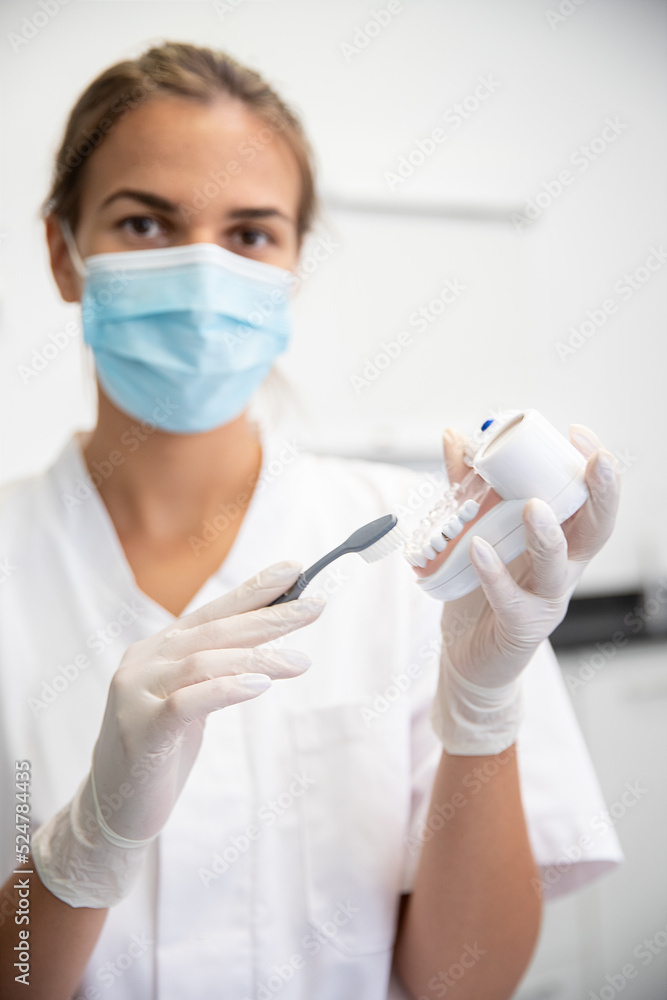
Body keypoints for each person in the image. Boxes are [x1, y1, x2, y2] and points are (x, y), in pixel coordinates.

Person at [0, 42, 622, 1000]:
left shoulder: (430, 550)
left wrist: (481, 714)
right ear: (62, 253)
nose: (203, 272)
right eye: (145, 221)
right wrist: (81, 854)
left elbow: (463, 986)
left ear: (292, 266)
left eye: (250, 234)